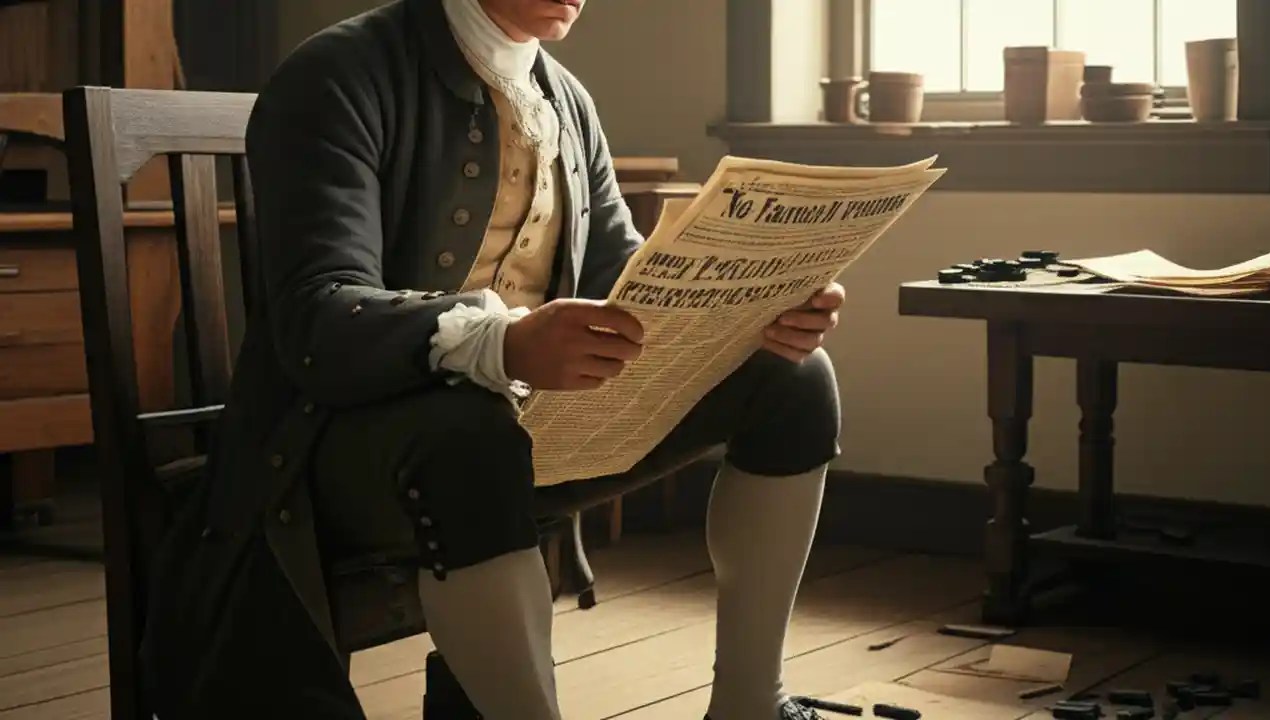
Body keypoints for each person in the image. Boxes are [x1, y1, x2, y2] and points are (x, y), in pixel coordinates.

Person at [137, 0, 846, 718]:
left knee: (791, 379)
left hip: (520, 431)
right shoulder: (335, 74)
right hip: (327, 450)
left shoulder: (565, 98)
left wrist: (752, 313)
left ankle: (752, 704)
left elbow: (619, 282)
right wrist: (506, 340)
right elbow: (318, 317)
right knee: (468, 435)